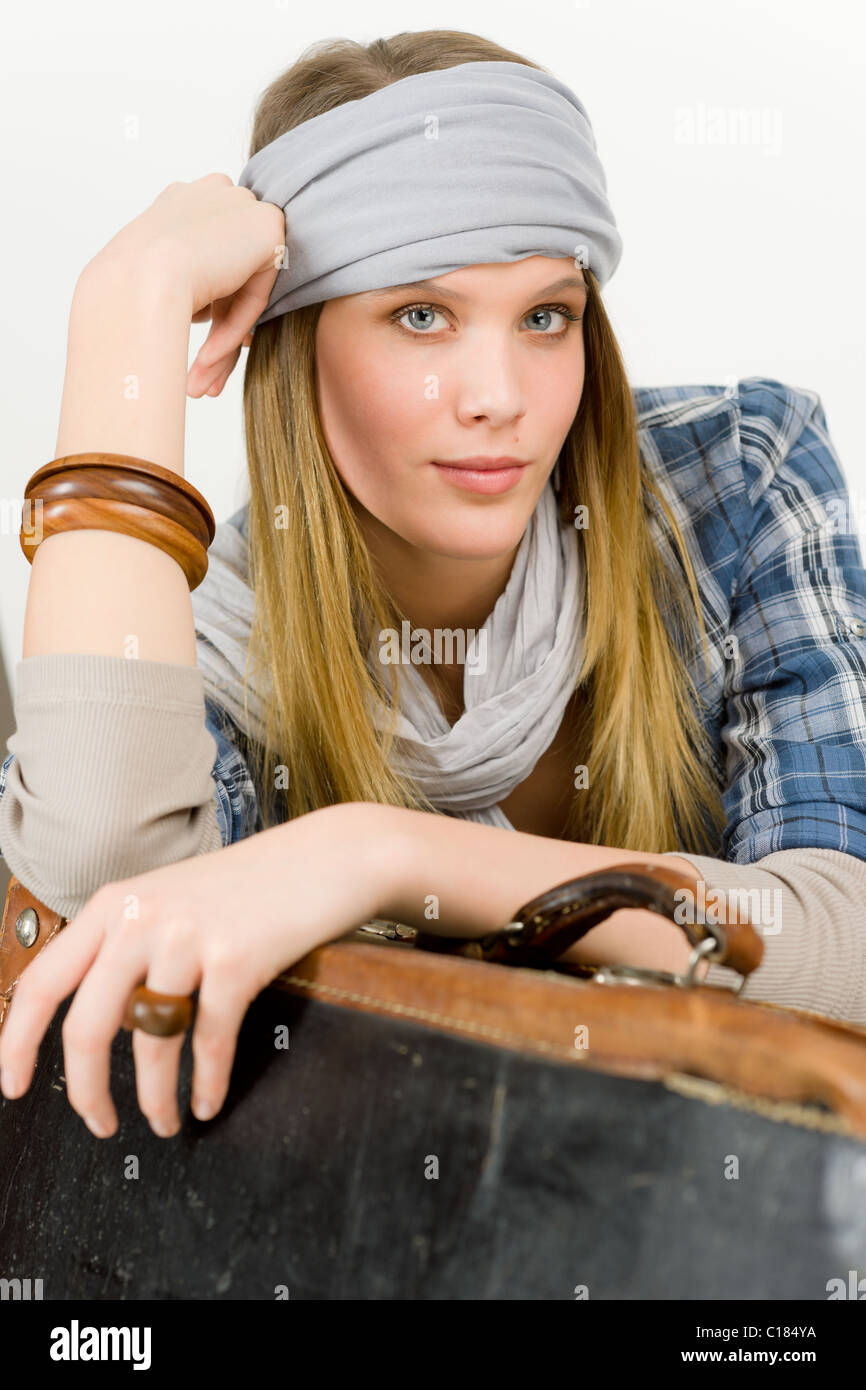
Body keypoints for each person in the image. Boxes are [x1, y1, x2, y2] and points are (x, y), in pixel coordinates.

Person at [1, 30, 865, 1146]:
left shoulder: (734, 479)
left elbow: (842, 952)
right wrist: (124, 307)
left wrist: (382, 853)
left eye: (545, 315)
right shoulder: (201, 646)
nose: (498, 396)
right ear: (294, 339)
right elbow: (99, 903)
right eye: (421, 315)